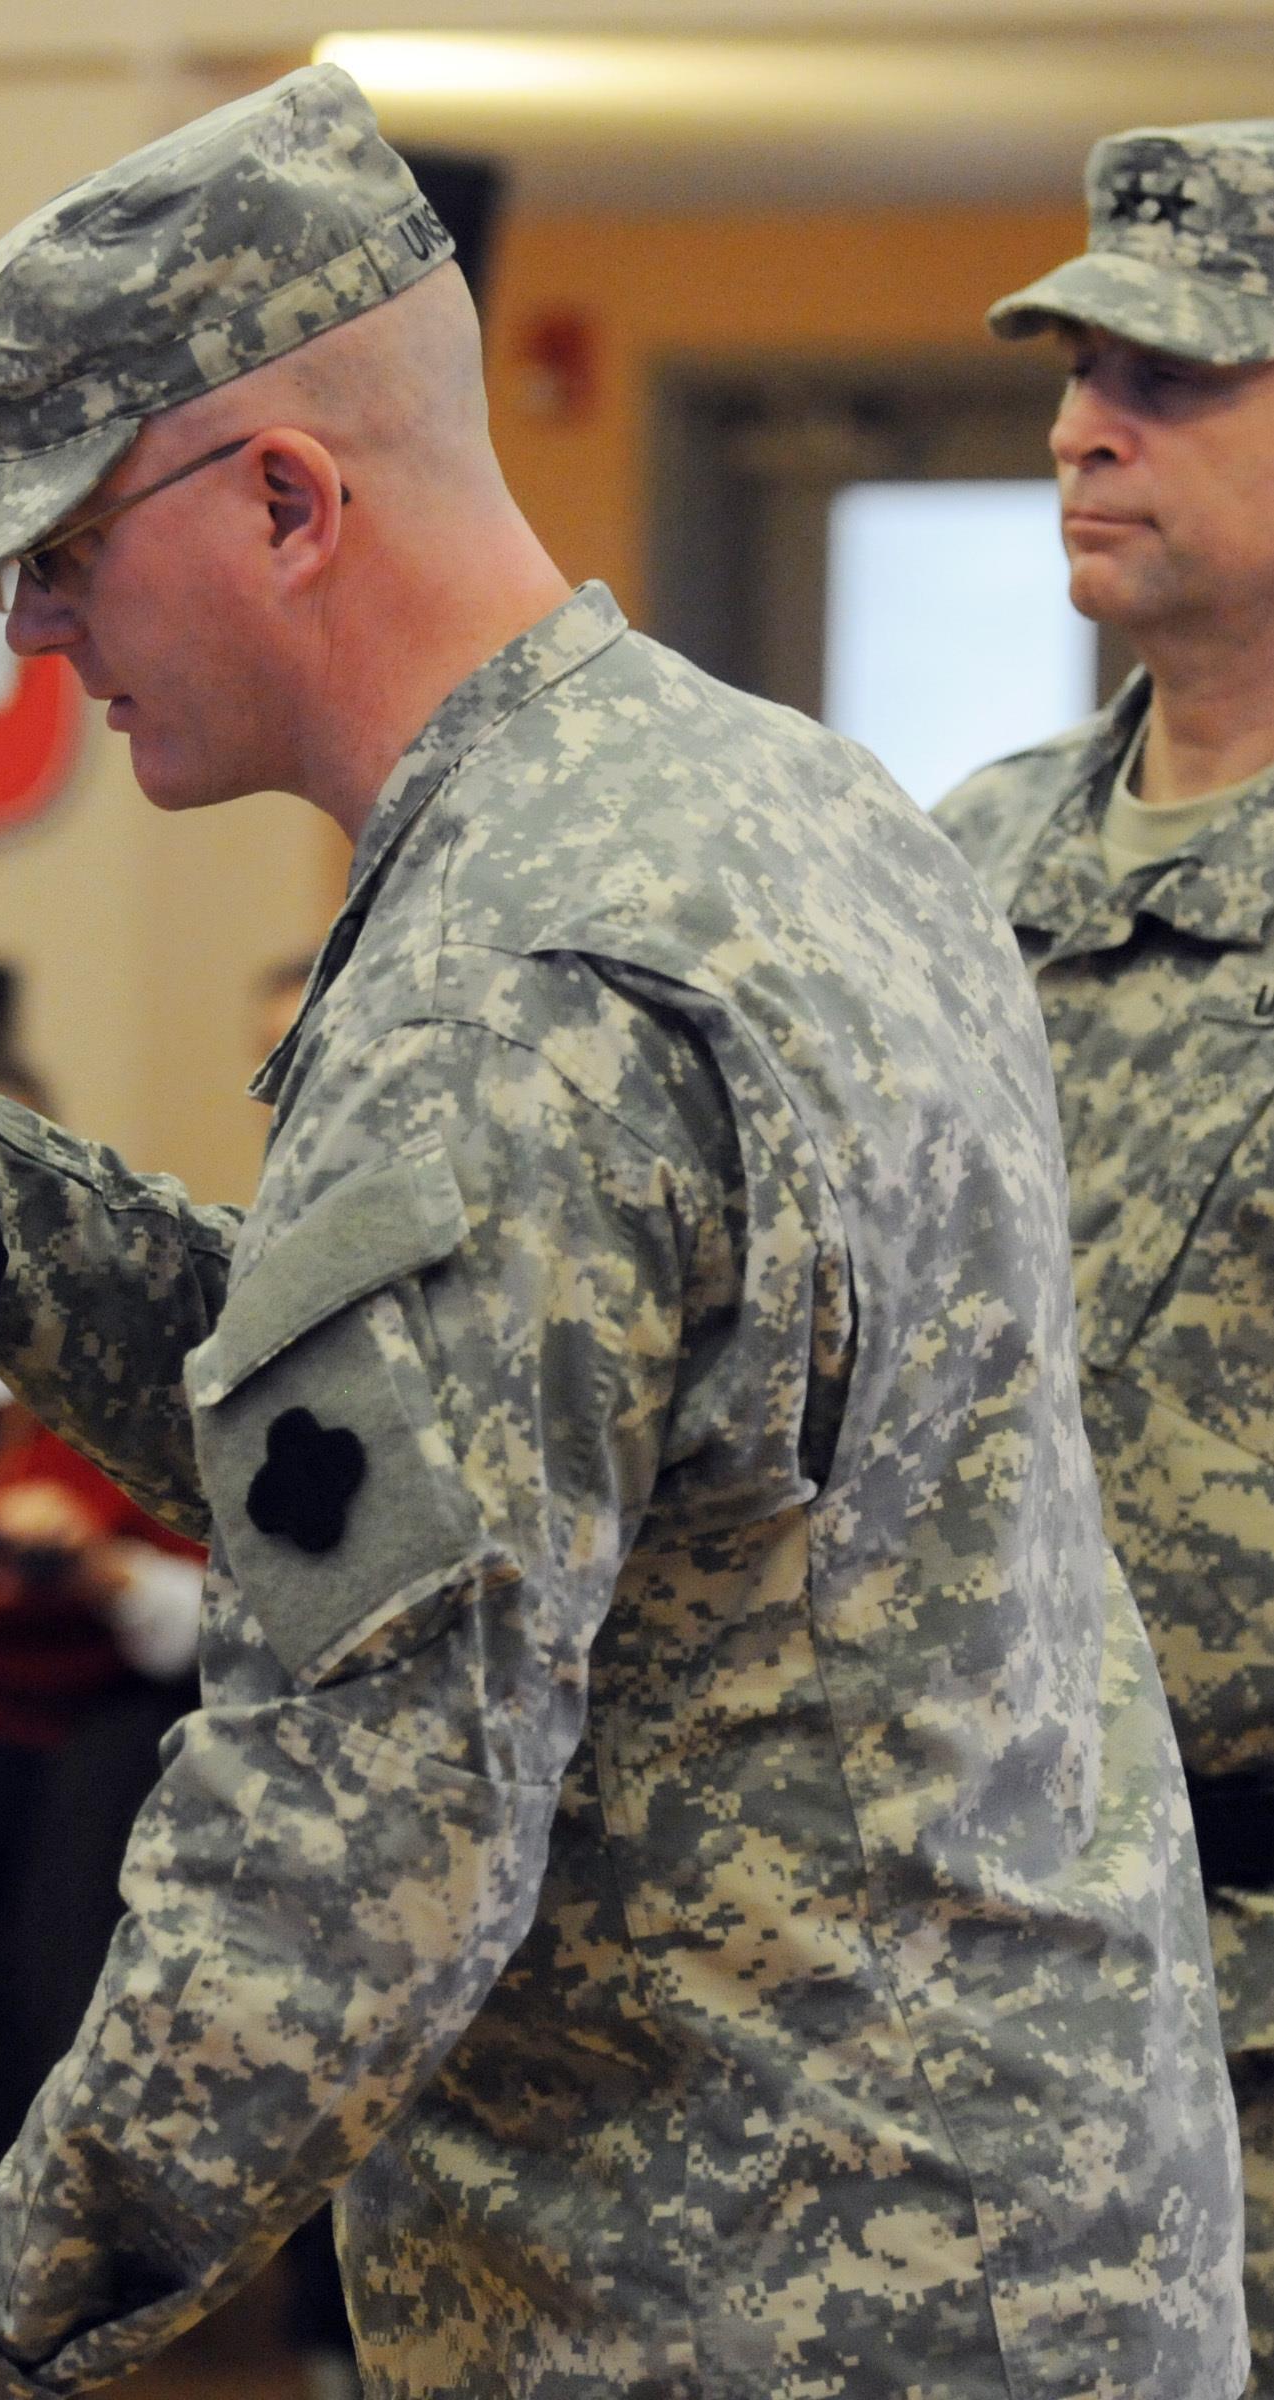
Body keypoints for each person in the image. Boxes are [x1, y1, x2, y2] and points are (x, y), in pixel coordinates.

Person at [0, 66, 1240, 2398]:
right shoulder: (774, 800)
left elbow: (357, 1830)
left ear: (290, 500)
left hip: (737, 2275)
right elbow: (422, 1446)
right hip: (991, 2231)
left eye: (67, 542)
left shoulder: (511, 981)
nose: (24, 620)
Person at [928, 116, 1274, 2389]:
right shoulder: (959, 865)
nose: (1080, 424)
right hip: (991, 2014)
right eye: (1069, 368)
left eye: (1166, 371)